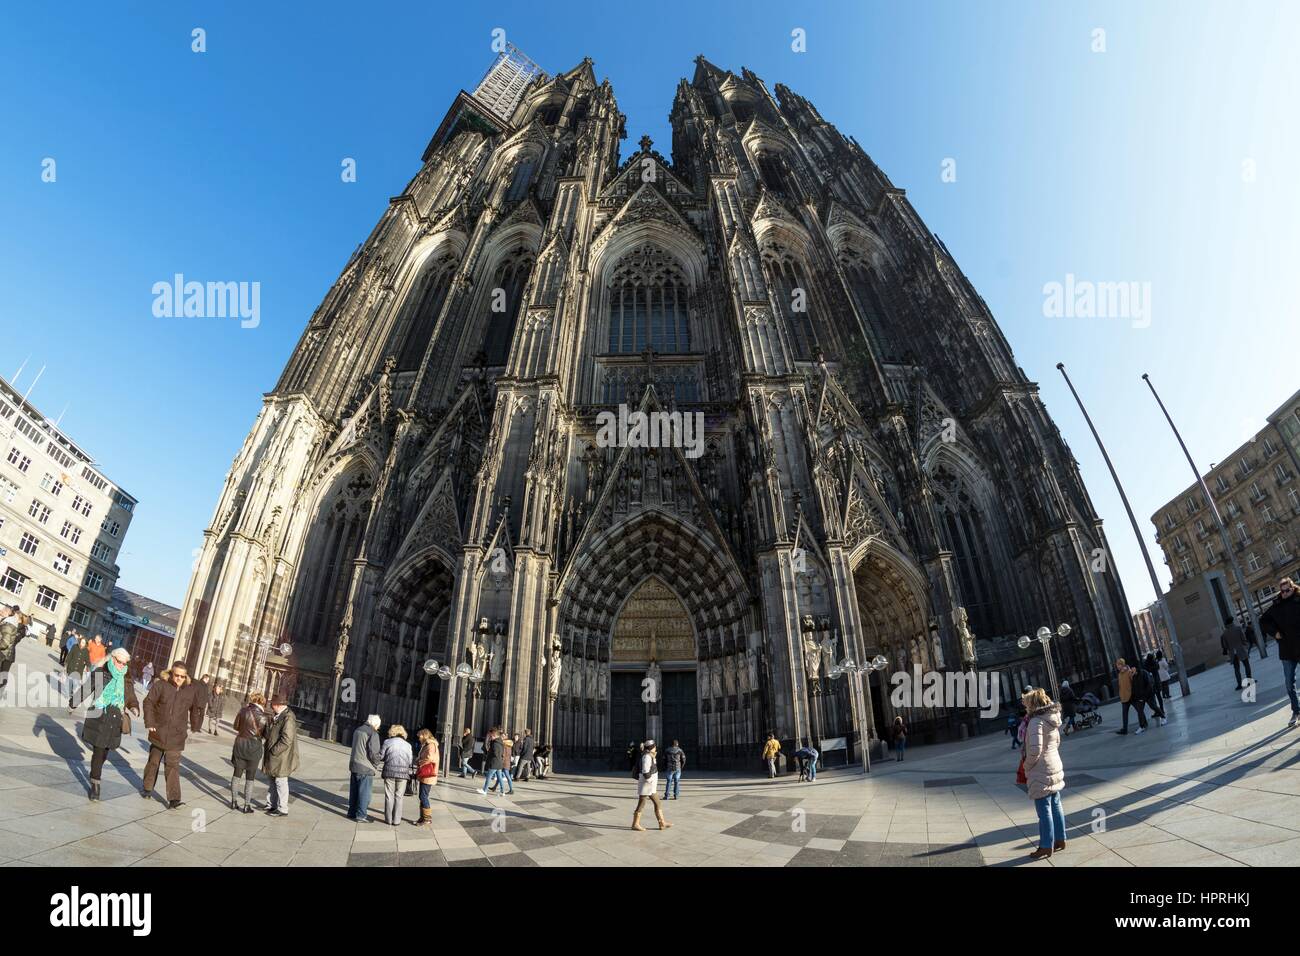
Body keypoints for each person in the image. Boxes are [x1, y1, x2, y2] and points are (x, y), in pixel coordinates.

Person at [77, 647, 141, 801]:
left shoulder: (126, 678)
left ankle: (94, 771)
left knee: (105, 751)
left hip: (115, 719)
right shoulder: (101, 673)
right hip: (99, 715)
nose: (121, 665)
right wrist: (73, 703)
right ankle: (95, 784)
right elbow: (86, 689)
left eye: (124, 663)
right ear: (112, 658)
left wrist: (134, 707)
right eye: (119, 662)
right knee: (99, 750)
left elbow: (131, 696)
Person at [141, 660, 205, 808]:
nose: (179, 679)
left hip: (177, 734)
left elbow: (196, 708)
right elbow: (148, 702)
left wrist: (195, 725)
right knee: (153, 762)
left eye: (182, 676)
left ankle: (174, 799)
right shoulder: (161, 685)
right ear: (171, 673)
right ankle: (147, 788)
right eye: (176, 675)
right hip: (158, 731)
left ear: (186, 676)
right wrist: (150, 722)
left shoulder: (190, 689)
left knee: (173, 766)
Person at [1020, 687, 1066, 860]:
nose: (1025, 707)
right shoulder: (1052, 718)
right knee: (1055, 803)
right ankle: (1060, 839)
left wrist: (1027, 765)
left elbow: (1034, 750)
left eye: (1026, 704)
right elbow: (1057, 742)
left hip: (1040, 769)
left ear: (1032, 704)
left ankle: (1046, 845)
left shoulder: (1035, 721)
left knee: (1043, 808)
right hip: (1054, 763)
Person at [1261, 577, 1300, 727]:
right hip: (1286, 650)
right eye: (1282, 590)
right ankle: (1296, 711)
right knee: (1289, 683)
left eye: (1287, 590)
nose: (1284, 593)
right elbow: (1263, 621)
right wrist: (1274, 632)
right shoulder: (1276, 606)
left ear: (1293, 588)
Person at [262, 696, 299, 817]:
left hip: (282, 756)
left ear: (278, 705)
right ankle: (271, 804)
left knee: (281, 781)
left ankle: (283, 808)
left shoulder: (288, 718)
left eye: (273, 704)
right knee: (272, 779)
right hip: (276, 756)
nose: (271, 707)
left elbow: (287, 739)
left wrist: (274, 750)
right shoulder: (278, 715)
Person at [230, 692, 267, 812]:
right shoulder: (263, 717)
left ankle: (233, 802)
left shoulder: (242, 711)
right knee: (250, 778)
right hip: (254, 748)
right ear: (262, 702)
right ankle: (247, 805)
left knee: (236, 775)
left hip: (240, 745)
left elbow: (235, 726)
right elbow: (266, 735)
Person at [631, 739, 672, 831]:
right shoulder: (647, 757)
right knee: (641, 804)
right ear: (652, 748)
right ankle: (635, 824)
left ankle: (662, 823)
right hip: (647, 785)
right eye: (654, 747)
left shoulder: (650, 756)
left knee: (657, 803)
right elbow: (645, 771)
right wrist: (649, 781)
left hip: (650, 786)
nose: (656, 748)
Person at [349, 714, 383, 822]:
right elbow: (373, 752)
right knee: (364, 793)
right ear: (375, 724)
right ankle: (361, 815)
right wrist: (377, 763)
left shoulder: (358, 730)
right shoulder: (372, 733)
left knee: (354, 791)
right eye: (378, 726)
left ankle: (351, 812)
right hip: (365, 766)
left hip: (354, 764)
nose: (378, 728)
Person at [381, 724, 413, 825]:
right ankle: (397, 820)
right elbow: (410, 760)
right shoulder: (408, 745)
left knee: (389, 795)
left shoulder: (387, 742)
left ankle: (388, 819)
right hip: (403, 773)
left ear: (392, 732)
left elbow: (381, 756)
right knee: (399, 796)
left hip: (389, 771)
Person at [414, 728, 439, 827]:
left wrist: (419, 762)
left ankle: (427, 818)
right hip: (425, 774)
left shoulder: (431, 745)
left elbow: (430, 758)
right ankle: (423, 817)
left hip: (428, 774)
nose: (418, 738)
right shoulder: (428, 744)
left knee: (423, 796)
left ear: (424, 735)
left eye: (419, 735)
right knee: (422, 796)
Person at [1115, 658, 1147, 735]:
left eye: (1119, 664)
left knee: (1139, 710)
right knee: (1124, 714)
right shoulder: (1119, 674)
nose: (1117, 666)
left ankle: (1144, 723)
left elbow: (1134, 682)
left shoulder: (1129, 672)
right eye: (1117, 665)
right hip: (1124, 697)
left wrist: (1134, 693)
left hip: (1131, 696)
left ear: (1122, 664)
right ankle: (1125, 729)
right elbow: (1120, 686)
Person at [1221, 616, 1254, 690]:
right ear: (1232, 622)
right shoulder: (1238, 628)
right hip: (1241, 650)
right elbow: (1243, 639)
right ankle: (1249, 681)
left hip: (1233, 652)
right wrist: (1245, 646)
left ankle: (1239, 684)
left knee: (1236, 668)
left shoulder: (1225, 633)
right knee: (1246, 665)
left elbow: (1225, 645)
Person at [0, 607, 28, 687]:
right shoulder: (12, 624)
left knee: (3, 676)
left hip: (9, 654)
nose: (13, 617)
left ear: (20, 619)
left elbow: (13, 640)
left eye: (15, 616)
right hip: (5, 651)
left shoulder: (21, 629)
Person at [481, 727, 513, 795]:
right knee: (500, 778)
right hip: (499, 763)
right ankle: (502, 791)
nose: (490, 737)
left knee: (489, 777)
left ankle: (484, 790)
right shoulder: (500, 742)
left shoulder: (496, 743)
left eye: (491, 736)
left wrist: (490, 753)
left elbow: (496, 753)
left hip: (495, 763)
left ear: (494, 735)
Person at [1141, 654, 1167, 724]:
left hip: (1151, 683)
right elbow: (1157, 668)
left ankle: (1157, 711)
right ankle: (1161, 709)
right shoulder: (1155, 663)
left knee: (1154, 698)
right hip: (1156, 682)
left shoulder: (1146, 665)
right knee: (1159, 697)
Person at [64, 635, 90, 706]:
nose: (82, 643)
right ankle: (67, 693)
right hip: (71, 667)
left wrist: (88, 666)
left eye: (84, 643)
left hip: (79, 670)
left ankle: (72, 694)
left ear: (86, 644)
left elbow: (88, 660)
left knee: (75, 684)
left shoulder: (86, 651)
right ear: (80, 641)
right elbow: (69, 656)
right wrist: (66, 664)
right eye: (81, 642)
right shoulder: (75, 646)